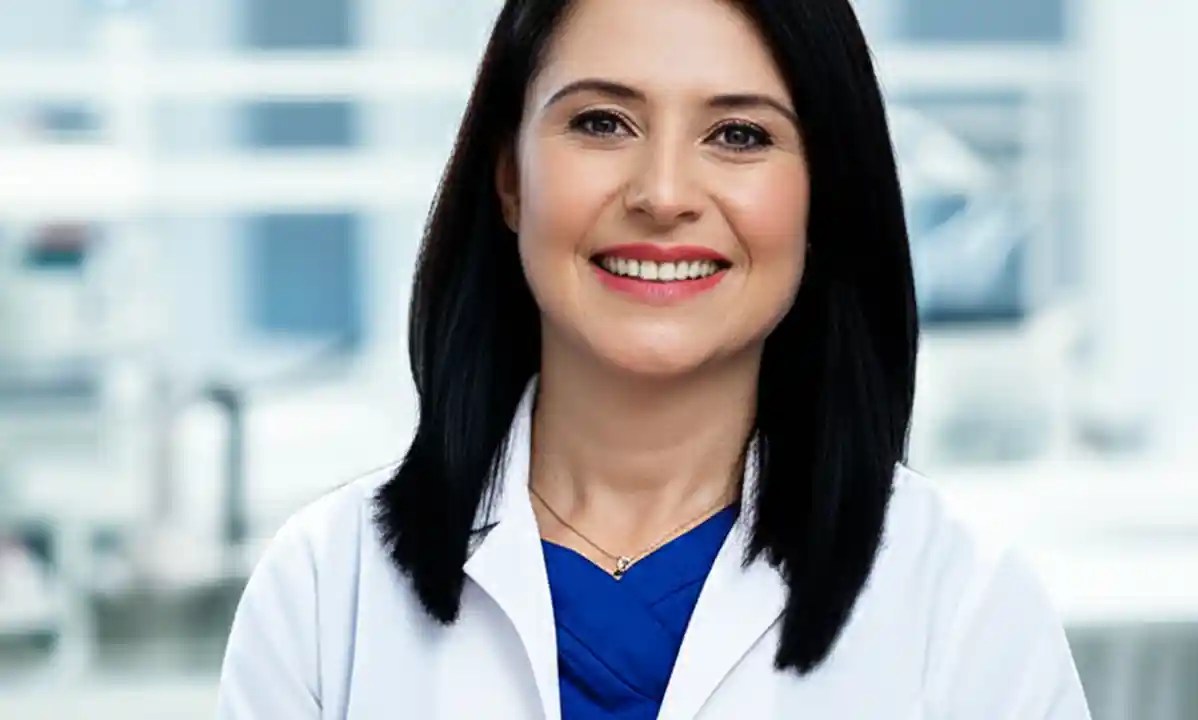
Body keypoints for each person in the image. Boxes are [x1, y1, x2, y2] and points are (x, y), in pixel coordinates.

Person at [216, 0, 1092, 717]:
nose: (664, 195)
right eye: (602, 122)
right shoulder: (329, 592)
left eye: (740, 135)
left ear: (823, 194)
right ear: (510, 178)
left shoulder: (966, 608)